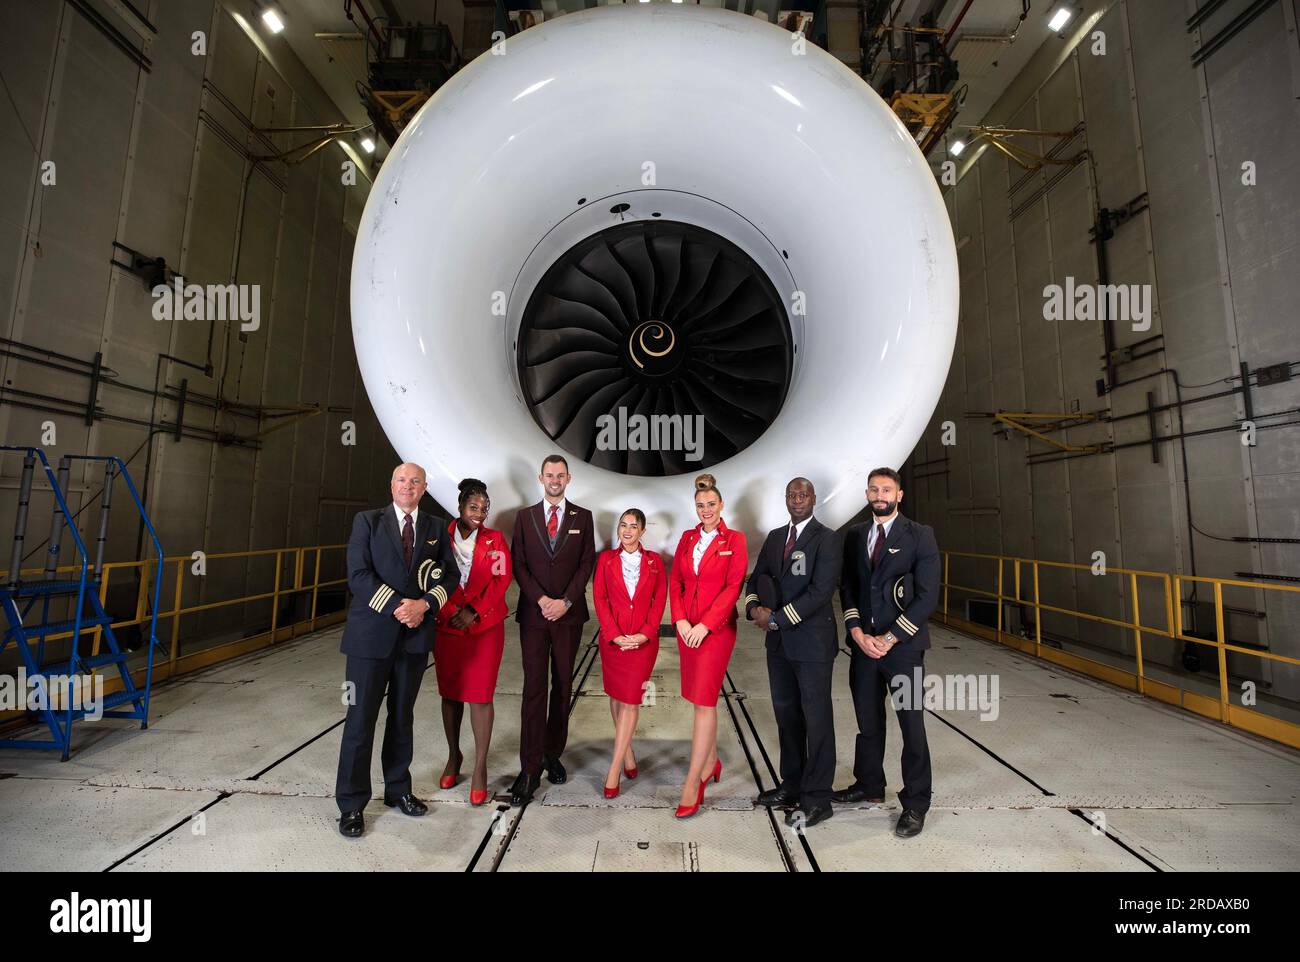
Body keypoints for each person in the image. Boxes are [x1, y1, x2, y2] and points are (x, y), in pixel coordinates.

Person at [335, 462, 459, 838]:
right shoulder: (367, 521)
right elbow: (357, 574)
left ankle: (398, 790)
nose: (408, 486)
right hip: (370, 638)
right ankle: (352, 804)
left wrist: (424, 606)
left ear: (424, 488)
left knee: (402, 716)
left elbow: (450, 575)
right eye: (402, 480)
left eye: (415, 481)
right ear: (392, 485)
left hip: (414, 638)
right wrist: (398, 607)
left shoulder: (437, 527)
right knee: (360, 721)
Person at [833, 466, 940, 838]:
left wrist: (891, 637)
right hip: (863, 647)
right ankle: (869, 784)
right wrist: (857, 631)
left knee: (912, 725)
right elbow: (848, 587)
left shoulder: (920, 536)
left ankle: (916, 802)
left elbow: (928, 596)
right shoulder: (855, 535)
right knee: (868, 721)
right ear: (867, 494)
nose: (880, 495)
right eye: (874, 489)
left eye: (887, 490)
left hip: (904, 649)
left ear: (899, 495)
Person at [743, 477, 842, 829]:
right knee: (787, 717)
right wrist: (754, 608)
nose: (797, 499)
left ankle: (818, 798)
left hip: (811, 644)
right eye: (792, 495)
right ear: (785, 499)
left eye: (803, 494)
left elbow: (820, 591)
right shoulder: (773, 538)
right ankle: (792, 785)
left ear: (813, 499)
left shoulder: (827, 539)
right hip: (780, 646)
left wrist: (777, 619)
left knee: (817, 721)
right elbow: (756, 579)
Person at [508, 454, 597, 805]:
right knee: (534, 689)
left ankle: (552, 754)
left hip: (568, 616)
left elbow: (586, 561)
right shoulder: (525, 517)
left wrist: (566, 602)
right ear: (540, 478)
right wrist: (543, 600)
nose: (555, 479)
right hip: (534, 615)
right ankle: (529, 767)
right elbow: (519, 562)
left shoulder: (583, 517)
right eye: (549, 474)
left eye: (560, 475)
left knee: (562, 686)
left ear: (568, 478)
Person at [668, 473, 747, 819]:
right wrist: (681, 621)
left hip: (715, 632)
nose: (706, 510)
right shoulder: (686, 538)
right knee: (700, 699)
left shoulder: (736, 540)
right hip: (688, 631)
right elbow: (676, 582)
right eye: (700, 506)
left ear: (721, 505)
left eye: (711, 505)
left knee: (703, 702)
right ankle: (711, 761)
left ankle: (692, 782)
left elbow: (733, 588)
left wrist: (704, 625)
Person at [434, 478, 513, 806]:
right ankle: (454, 756)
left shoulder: (495, 540)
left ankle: (480, 768)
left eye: (484, 508)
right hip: (447, 625)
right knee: (451, 694)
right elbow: (430, 572)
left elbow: (501, 579)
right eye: (473, 507)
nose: (479, 513)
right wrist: (452, 609)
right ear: (460, 507)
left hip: (485, 628)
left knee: (480, 697)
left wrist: (474, 611)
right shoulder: (439, 536)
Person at [591, 508, 667, 799]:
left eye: (633, 526)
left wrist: (645, 634)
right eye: (623, 525)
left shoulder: (655, 562)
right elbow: (599, 597)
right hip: (614, 642)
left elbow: (659, 600)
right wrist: (614, 635)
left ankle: (613, 769)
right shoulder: (606, 560)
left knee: (632, 700)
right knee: (616, 696)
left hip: (642, 644)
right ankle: (628, 753)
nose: (627, 531)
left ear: (642, 531)